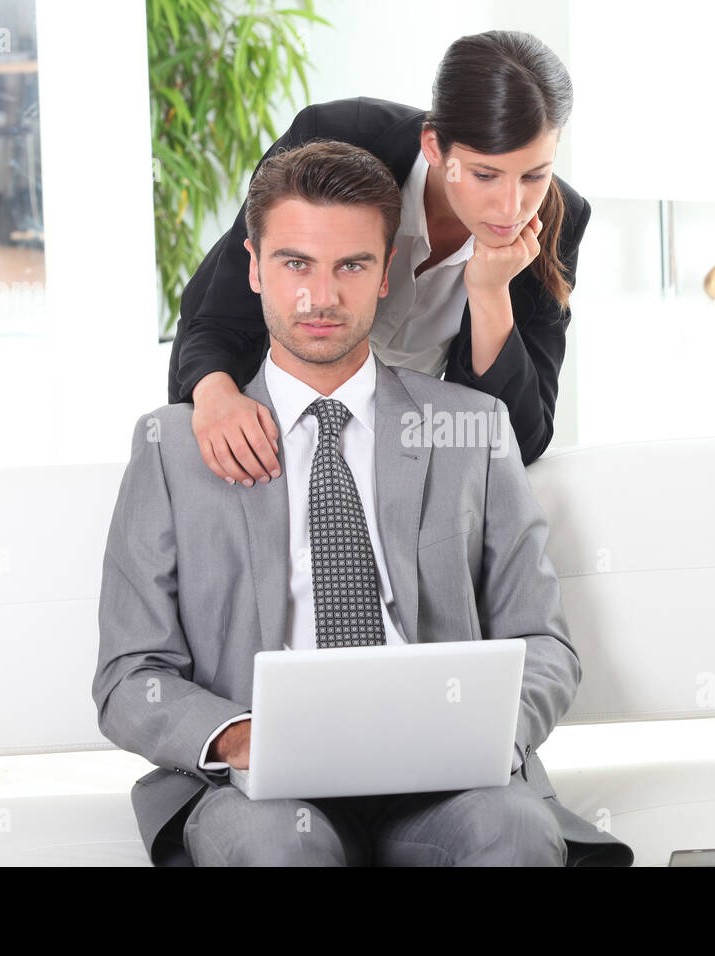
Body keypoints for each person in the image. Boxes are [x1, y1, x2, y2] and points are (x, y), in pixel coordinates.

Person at [94, 139, 633, 867]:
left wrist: (482, 736)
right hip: (262, 789)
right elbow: (131, 674)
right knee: (274, 846)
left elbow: (542, 641)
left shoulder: (472, 428)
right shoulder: (172, 449)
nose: (321, 297)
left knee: (513, 831)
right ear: (254, 268)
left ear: (386, 274)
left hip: (443, 780)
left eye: (351, 266)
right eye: (296, 264)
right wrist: (243, 737)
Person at [167, 30, 591, 482]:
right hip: (258, 414)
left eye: (534, 176)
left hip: (402, 449)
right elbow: (222, 313)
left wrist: (490, 293)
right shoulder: (332, 139)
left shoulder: (558, 221)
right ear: (434, 146)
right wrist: (214, 394)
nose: (510, 208)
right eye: (485, 175)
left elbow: (518, 441)